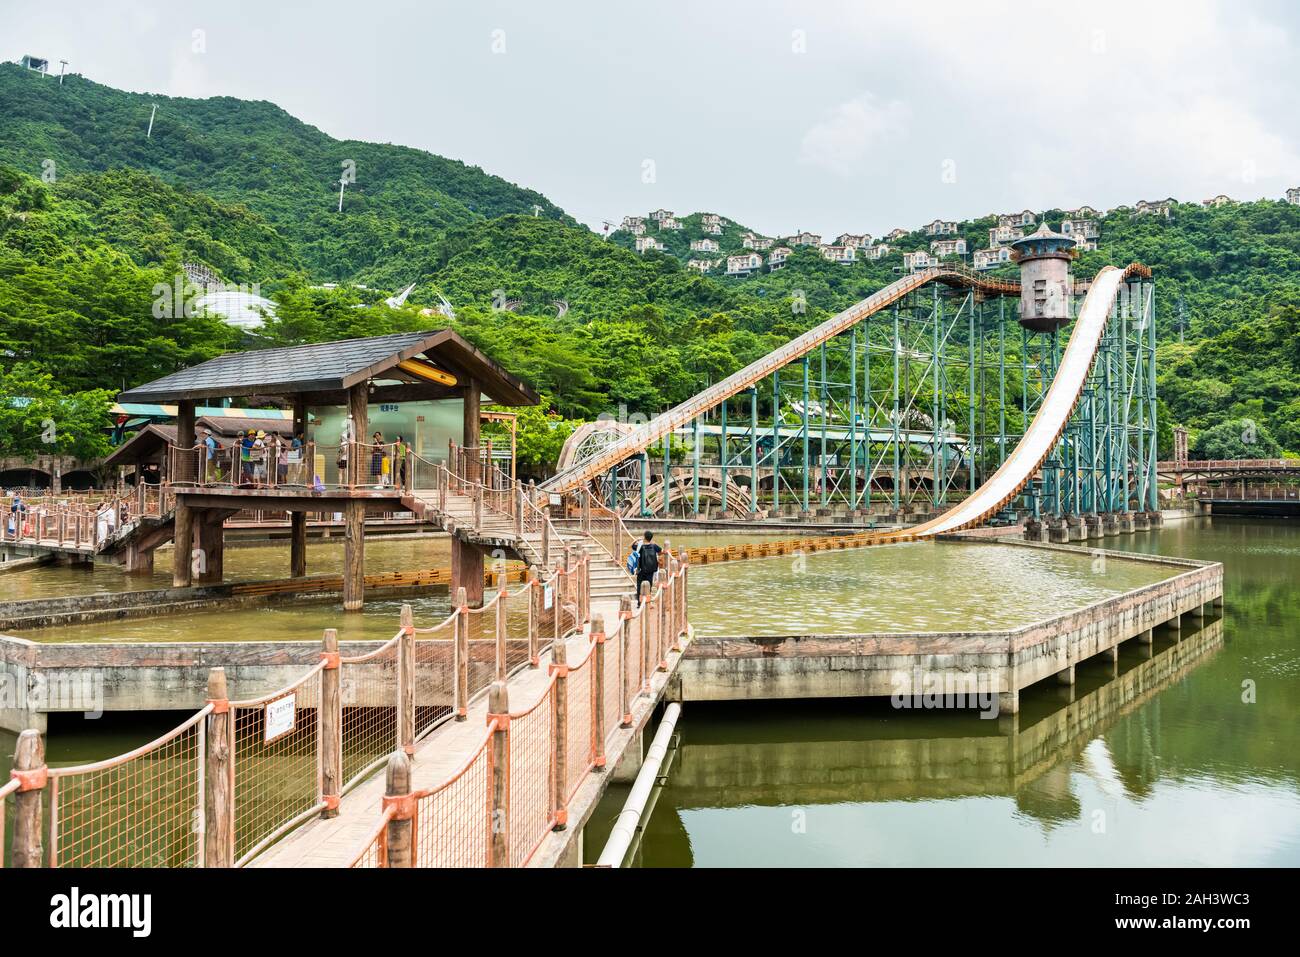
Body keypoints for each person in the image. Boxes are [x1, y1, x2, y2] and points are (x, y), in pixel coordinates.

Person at [635, 530, 661, 602]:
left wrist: (636, 540)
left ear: (644, 537)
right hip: (651, 569)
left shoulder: (640, 546)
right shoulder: (654, 546)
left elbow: (633, 549)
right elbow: (661, 550)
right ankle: (647, 602)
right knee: (649, 585)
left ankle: (639, 602)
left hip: (641, 569)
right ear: (651, 538)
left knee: (639, 585)